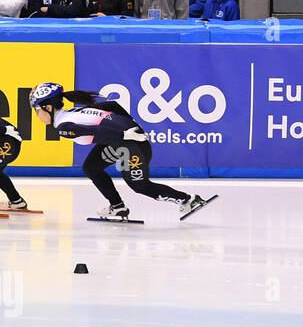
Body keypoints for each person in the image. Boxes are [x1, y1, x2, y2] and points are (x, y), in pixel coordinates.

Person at [29, 82, 213, 222]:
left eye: (36, 110)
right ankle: (117, 207)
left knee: (140, 186)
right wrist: (133, 127)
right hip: (121, 141)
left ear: (48, 107)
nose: (36, 115)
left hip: (128, 144)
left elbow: (98, 131)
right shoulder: (74, 111)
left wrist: (127, 133)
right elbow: (112, 105)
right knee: (91, 167)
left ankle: (189, 200)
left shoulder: (64, 125)